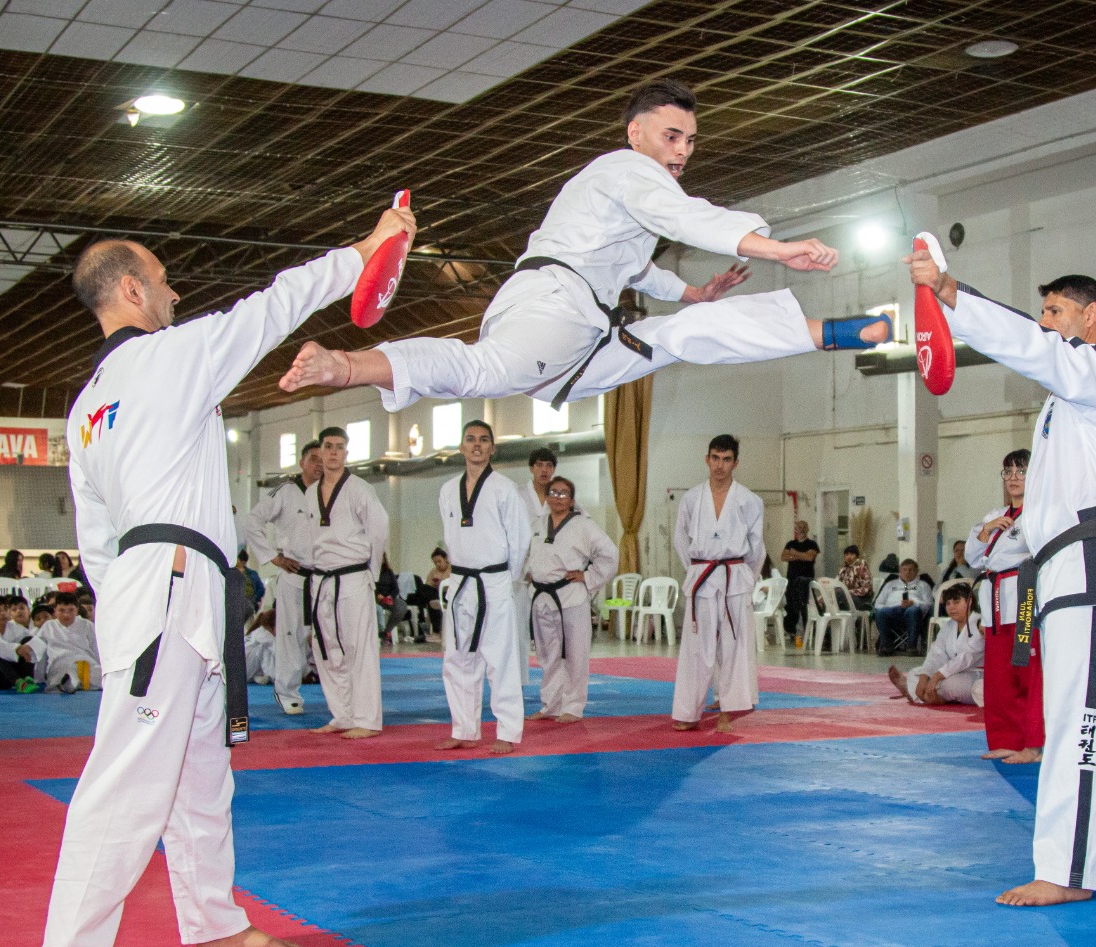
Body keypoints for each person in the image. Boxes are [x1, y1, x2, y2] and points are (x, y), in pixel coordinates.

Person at [36, 208, 403, 947]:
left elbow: (94, 534)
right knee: (129, 772)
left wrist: (130, 601)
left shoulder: (89, 405)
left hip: (169, 583)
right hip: (167, 583)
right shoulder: (167, 357)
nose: (173, 291)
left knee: (203, 770)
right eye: (163, 280)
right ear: (132, 288)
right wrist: (363, 254)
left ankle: (212, 919)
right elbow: (272, 306)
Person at [279, 80, 893, 413]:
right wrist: (778, 248)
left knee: (681, 336)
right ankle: (347, 365)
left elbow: (636, 267)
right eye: (671, 135)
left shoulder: (629, 195)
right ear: (636, 133)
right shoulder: (626, 169)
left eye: (691, 140)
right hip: (554, 308)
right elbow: (688, 219)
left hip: (583, 332)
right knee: (479, 371)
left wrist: (695, 292)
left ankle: (830, 333)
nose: (682, 151)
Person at [908, 245, 1096, 907]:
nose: (1045, 323)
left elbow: (1028, 345)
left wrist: (952, 290)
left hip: (1091, 567)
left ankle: (1071, 867)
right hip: (1069, 567)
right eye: (1042, 311)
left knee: (1076, 709)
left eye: (1055, 311)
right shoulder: (1066, 403)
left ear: (1091, 317)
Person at [437, 420, 531, 754]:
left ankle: (507, 731)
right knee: (458, 657)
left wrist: (506, 579)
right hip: (460, 580)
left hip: (494, 580)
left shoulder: (505, 488)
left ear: (493, 448)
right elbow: (450, 537)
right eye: (470, 439)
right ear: (461, 447)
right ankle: (464, 729)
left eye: (484, 440)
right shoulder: (448, 489)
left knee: (501, 657)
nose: (477, 445)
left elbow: (520, 541)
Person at [300, 426, 391, 738]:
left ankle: (367, 719)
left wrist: (372, 572)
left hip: (352, 576)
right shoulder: (311, 493)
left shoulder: (360, 489)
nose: (334, 452)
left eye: (340, 446)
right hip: (322, 578)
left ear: (346, 452)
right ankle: (342, 715)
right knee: (326, 647)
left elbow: (379, 529)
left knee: (358, 647)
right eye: (328, 446)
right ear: (320, 452)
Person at [671, 434, 764, 733]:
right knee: (696, 647)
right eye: (715, 458)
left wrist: (746, 577)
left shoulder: (750, 500)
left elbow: (757, 547)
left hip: (734, 577)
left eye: (726, 459)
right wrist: (694, 571)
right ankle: (688, 711)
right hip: (702, 577)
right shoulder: (691, 498)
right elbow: (680, 538)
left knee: (734, 647)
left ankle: (730, 709)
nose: (719, 465)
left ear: (735, 463)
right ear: (707, 459)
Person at [966, 448, 1043, 763]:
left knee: (1028, 674)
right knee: (999, 677)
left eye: (1020, 471)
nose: (1013, 478)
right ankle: (1006, 739)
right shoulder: (994, 515)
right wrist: (986, 531)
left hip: (1025, 597)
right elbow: (972, 558)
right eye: (1008, 472)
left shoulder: (1040, 513)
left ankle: (1034, 745)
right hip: (995, 601)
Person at [525, 475, 617, 723]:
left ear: (572, 500)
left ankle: (573, 707)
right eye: (553, 493)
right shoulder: (537, 523)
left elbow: (609, 554)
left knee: (575, 654)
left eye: (563, 493)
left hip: (571, 596)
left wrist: (588, 576)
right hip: (542, 597)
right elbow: (525, 554)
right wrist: (527, 573)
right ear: (546, 497)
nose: (557, 497)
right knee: (547, 655)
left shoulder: (583, 525)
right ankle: (550, 705)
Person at [244, 438, 321, 716]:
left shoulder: (334, 492)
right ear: (302, 462)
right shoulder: (287, 492)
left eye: (323, 458)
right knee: (290, 635)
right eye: (313, 458)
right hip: (294, 573)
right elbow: (252, 520)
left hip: (326, 576)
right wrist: (272, 556)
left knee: (328, 637)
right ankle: (287, 692)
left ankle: (339, 695)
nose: (319, 464)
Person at [888, 583, 983, 705]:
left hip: (975, 674)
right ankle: (924, 695)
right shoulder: (949, 625)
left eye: (956, 602)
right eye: (948, 603)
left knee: (950, 684)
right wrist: (924, 678)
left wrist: (937, 676)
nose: (951, 607)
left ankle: (935, 697)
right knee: (915, 674)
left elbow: (967, 657)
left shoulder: (980, 624)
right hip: (950, 672)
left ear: (969, 602)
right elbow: (936, 653)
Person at [0, 594, 47, 692]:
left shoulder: (15, 627)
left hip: (5, 678)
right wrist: (18, 649)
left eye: (5, 609)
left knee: (28, 641)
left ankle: (27, 678)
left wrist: (27, 647)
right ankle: (18, 682)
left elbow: (37, 641)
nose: (3, 613)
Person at [38, 592, 102, 693]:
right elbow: (40, 652)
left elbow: (96, 649)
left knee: (100, 674)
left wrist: (100, 664)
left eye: (71, 610)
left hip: (85, 663)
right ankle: (69, 684)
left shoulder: (87, 625)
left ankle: (75, 684)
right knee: (65, 673)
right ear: (55, 611)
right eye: (61, 610)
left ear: (77, 610)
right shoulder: (49, 626)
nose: (66, 614)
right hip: (60, 662)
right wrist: (39, 677)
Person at [871, 559, 932, 656]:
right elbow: (878, 603)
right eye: (904, 569)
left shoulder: (923, 585)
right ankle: (887, 645)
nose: (907, 572)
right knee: (880, 612)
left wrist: (914, 603)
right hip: (892, 612)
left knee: (913, 610)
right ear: (900, 571)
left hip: (912, 613)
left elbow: (928, 604)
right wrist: (888, 608)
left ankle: (912, 647)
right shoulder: (890, 584)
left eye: (911, 570)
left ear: (916, 572)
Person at [781, 520, 820, 645]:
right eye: (799, 527)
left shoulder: (812, 544)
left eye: (804, 527)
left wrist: (794, 553)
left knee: (805, 607)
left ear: (807, 529)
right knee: (791, 606)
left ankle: (808, 632)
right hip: (792, 580)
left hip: (806, 581)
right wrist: (801, 555)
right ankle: (791, 632)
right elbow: (784, 557)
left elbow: (810, 557)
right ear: (795, 529)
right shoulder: (790, 543)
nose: (802, 529)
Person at [414, 548, 452, 640]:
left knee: (431, 600)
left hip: (448, 594)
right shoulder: (433, 571)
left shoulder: (453, 569)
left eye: (439, 561)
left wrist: (442, 584)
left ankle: (435, 631)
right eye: (435, 563)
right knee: (423, 590)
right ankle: (433, 631)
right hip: (435, 594)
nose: (438, 564)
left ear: (445, 559)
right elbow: (427, 586)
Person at [523, 447, 558, 525]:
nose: (544, 470)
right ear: (531, 469)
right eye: (539, 465)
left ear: (553, 469)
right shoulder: (518, 494)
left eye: (549, 465)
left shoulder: (560, 495)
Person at [244, 609, 277, 684]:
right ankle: (274, 677)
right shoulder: (263, 633)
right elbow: (277, 651)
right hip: (243, 670)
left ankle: (266, 676)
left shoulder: (257, 631)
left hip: (242, 669)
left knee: (263, 650)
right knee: (263, 648)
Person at [838, 545, 872, 610]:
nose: (849, 557)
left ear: (856, 556)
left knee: (839, 592)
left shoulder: (862, 568)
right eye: (847, 554)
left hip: (862, 600)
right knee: (832, 592)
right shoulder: (844, 570)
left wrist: (848, 592)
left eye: (852, 554)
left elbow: (866, 589)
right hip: (848, 598)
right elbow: (836, 583)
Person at [234, 549, 265, 617]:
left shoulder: (252, 574)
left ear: (242, 561)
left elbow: (261, 589)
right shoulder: (230, 573)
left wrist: (254, 598)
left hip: (249, 600)